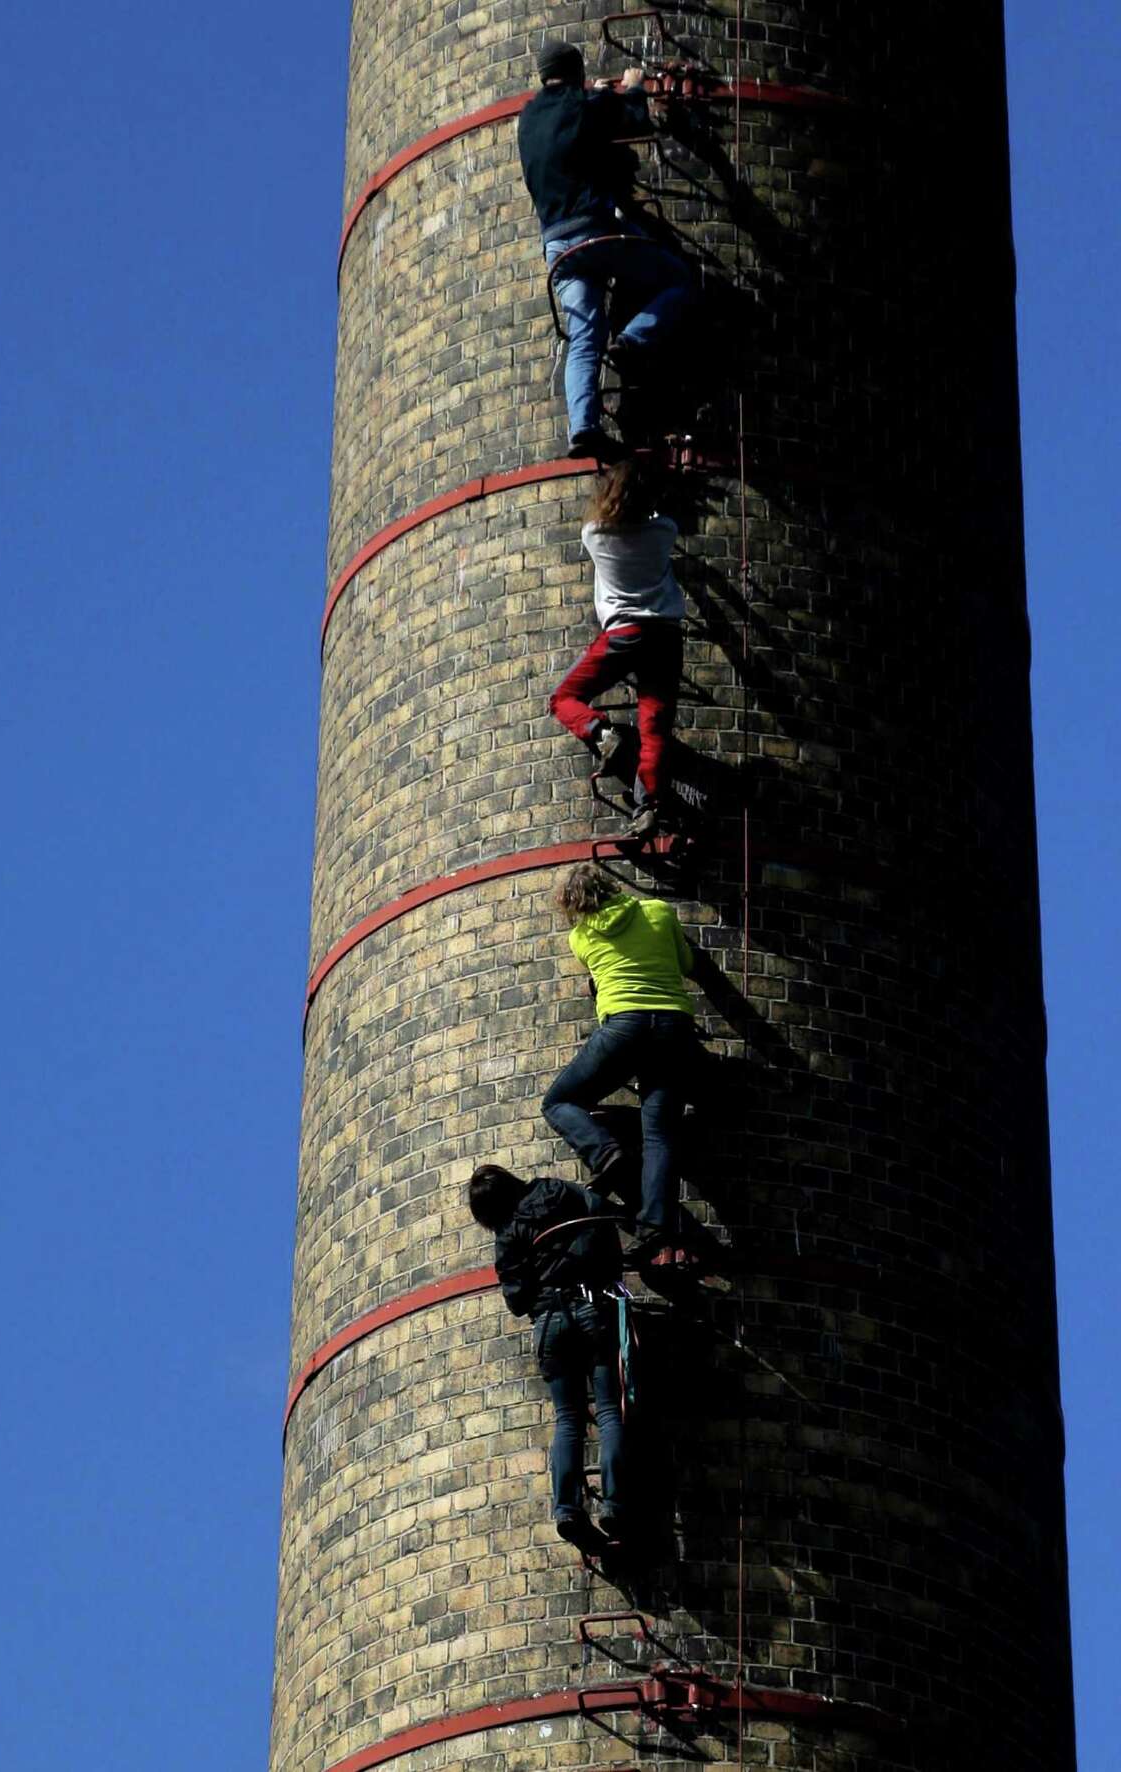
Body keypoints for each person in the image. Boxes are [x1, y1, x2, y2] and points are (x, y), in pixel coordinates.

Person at [517, 38, 692, 456]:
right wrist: (632, 87)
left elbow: (567, 130)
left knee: (584, 334)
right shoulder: (585, 106)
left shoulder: (527, 119)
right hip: (594, 233)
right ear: (576, 72)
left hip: (557, 247)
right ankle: (632, 340)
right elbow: (635, 120)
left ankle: (582, 427)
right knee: (679, 280)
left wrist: (592, 98)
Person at [543, 863, 703, 1251]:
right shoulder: (659, 911)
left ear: (573, 904)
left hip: (624, 1028)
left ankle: (606, 1153)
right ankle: (655, 1228)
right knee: (659, 1134)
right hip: (674, 1026)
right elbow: (686, 963)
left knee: (558, 1102)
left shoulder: (581, 938)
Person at [467, 1163, 626, 1545]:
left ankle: (567, 1509)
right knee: (608, 1410)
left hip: (551, 1322)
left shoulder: (508, 1234)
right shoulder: (556, 1191)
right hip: (592, 1307)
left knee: (568, 1418)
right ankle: (615, 1505)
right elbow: (599, 1213)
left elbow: (517, 1301)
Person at [550, 458, 684, 841]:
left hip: (623, 634)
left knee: (564, 698)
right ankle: (648, 806)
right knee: (654, 729)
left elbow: (601, 520)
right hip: (665, 636)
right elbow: (664, 516)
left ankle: (602, 733)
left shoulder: (594, 535)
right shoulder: (664, 531)